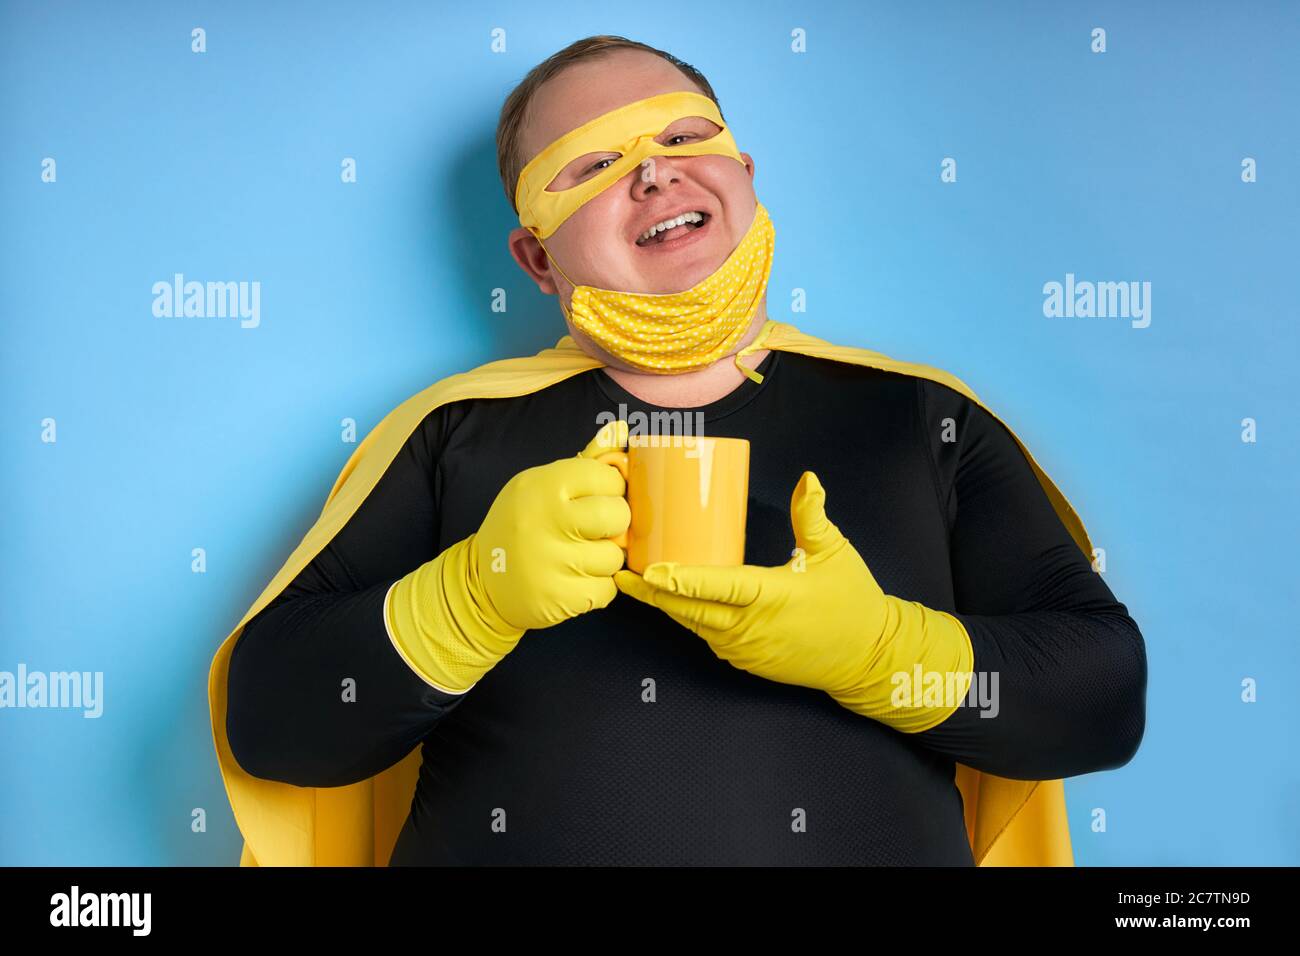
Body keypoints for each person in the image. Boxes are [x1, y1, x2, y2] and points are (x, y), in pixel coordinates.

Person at [212, 35, 1147, 866]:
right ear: (536, 260)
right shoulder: (449, 432)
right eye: (590, 167)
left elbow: (1102, 702)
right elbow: (275, 727)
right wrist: (470, 596)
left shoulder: (924, 420)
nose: (653, 174)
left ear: (743, 170)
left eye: (682, 138)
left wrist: (880, 652)